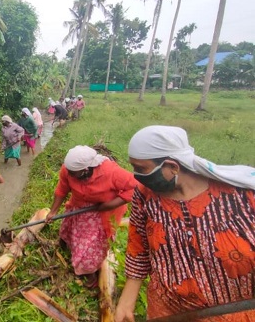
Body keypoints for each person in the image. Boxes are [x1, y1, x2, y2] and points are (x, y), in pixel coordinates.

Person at [115, 126, 255, 322]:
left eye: (141, 168)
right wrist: (126, 301)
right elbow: (138, 248)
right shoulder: (145, 195)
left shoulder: (243, 196)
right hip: (166, 312)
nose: (136, 175)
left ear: (173, 166)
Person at [46, 146, 137, 288]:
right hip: (79, 206)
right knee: (68, 229)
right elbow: (62, 189)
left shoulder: (111, 172)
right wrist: (53, 211)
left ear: (86, 169)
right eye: (68, 171)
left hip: (102, 211)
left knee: (89, 246)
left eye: (73, 173)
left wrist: (109, 205)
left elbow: (135, 187)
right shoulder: (68, 169)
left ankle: (89, 273)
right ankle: (68, 247)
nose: (69, 174)